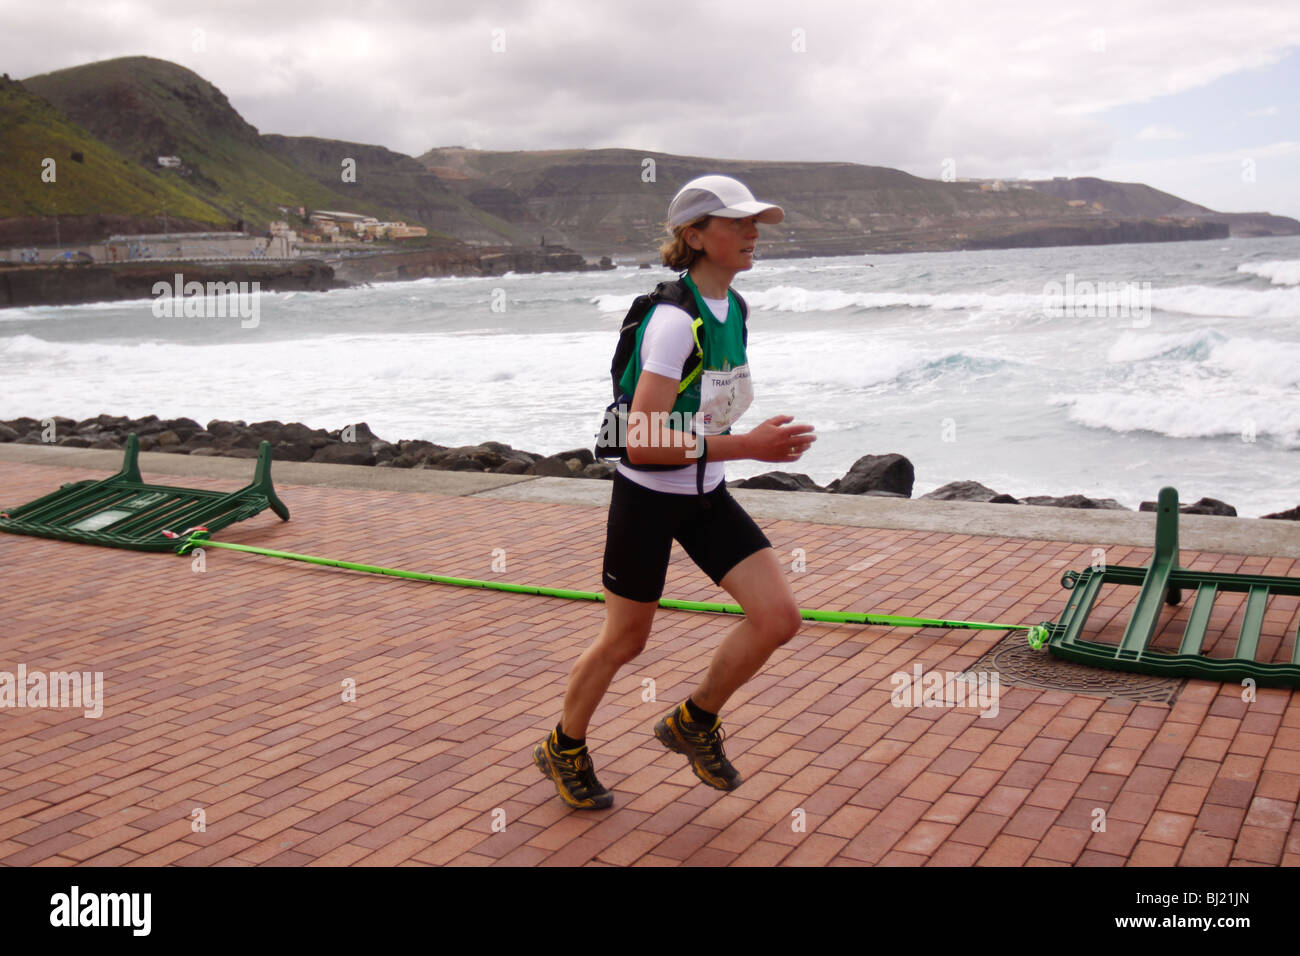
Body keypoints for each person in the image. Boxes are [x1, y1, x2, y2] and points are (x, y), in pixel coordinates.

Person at [533, 174, 816, 809]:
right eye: (735, 223)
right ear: (694, 236)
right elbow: (642, 440)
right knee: (626, 640)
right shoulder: (671, 322)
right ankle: (563, 745)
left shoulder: (733, 308)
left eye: (755, 223)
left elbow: (707, 410)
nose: (751, 233)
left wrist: (743, 444)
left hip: (706, 491)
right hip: (648, 498)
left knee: (778, 619)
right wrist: (750, 447)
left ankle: (693, 721)